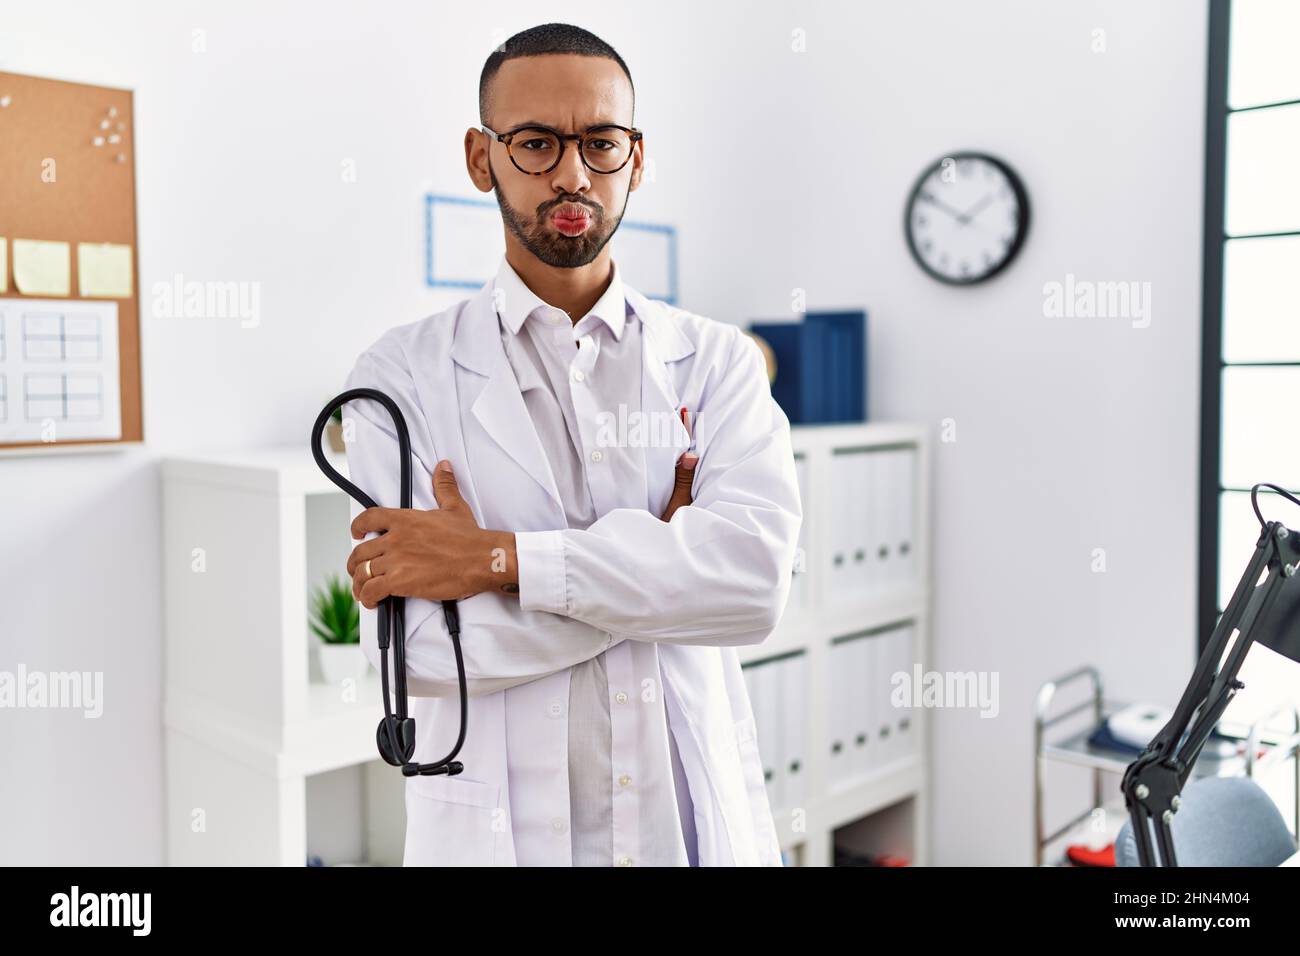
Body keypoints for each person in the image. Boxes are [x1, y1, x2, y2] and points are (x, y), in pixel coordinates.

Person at [341, 22, 801, 866]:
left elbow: (752, 589)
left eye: (600, 142)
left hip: (680, 829)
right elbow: (431, 653)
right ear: (482, 160)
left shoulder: (717, 362)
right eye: (536, 143)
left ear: (636, 156)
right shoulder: (399, 376)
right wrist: (661, 579)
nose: (572, 173)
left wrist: (494, 562)